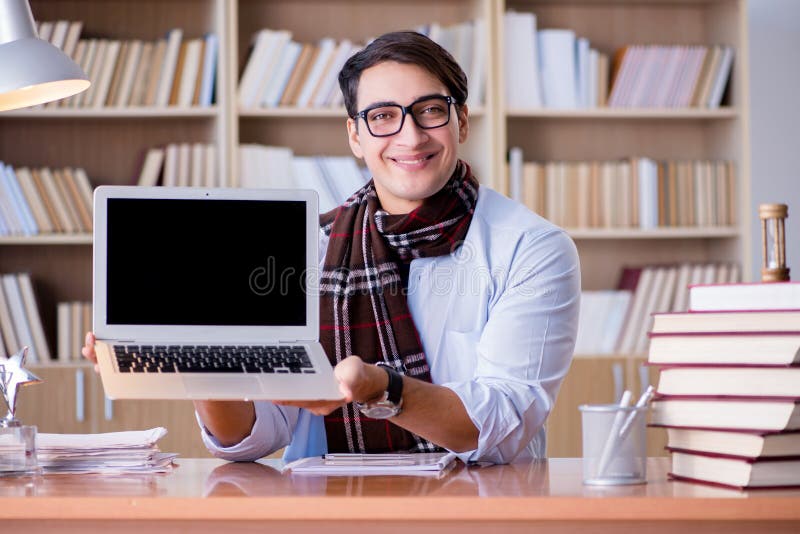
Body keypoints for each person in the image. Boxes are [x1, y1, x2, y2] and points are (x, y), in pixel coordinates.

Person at [83, 31, 580, 464]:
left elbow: (501, 428)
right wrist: (206, 367)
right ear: (356, 136)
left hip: (474, 509)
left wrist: (384, 389)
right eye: (383, 116)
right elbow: (252, 438)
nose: (410, 135)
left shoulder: (532, 249)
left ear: (461, 122)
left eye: (430, 110)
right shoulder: (310, 244)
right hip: (322, 504)